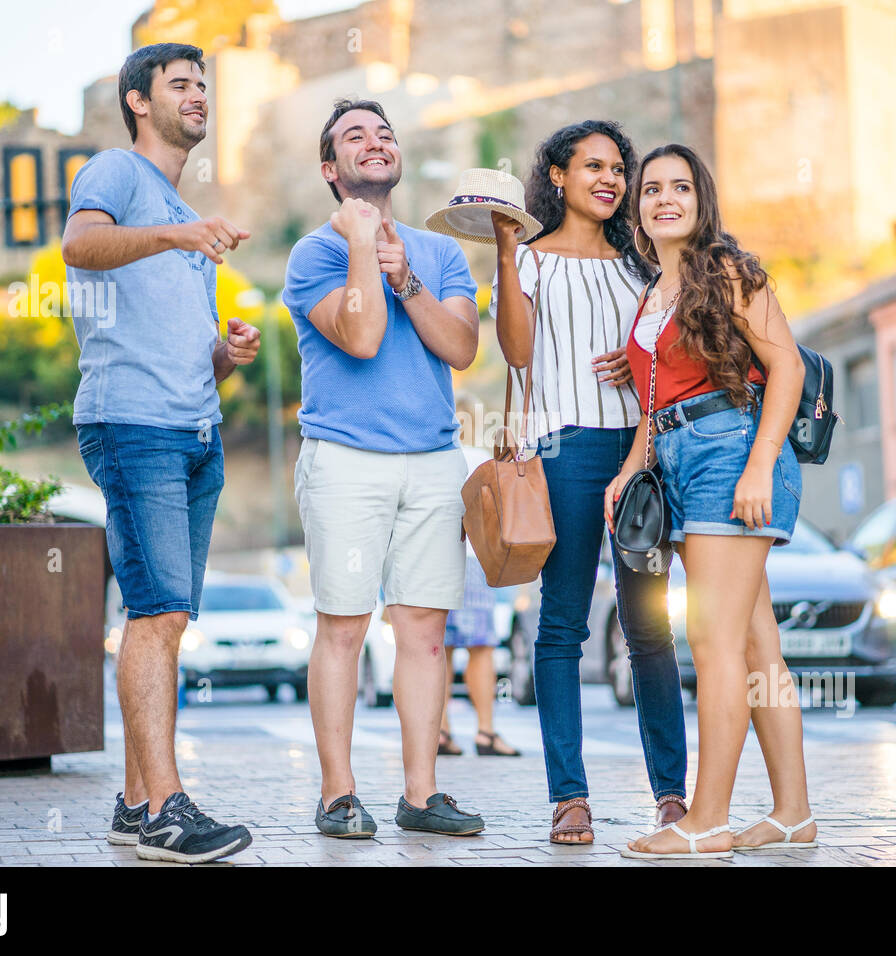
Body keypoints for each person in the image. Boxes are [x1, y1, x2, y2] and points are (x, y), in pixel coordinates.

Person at [61, 42, 261, 864]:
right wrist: (180, 232)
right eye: (181, 84)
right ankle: (167, 813)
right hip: (132, 423)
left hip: (193, 430)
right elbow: (78, 246)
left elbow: (174, 339)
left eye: (204, 85)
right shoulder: (115, 171)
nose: (199, 95)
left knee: (167, 617)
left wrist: (225, 352)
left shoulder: (180, 211)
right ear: (139, 101)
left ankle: (135, 803)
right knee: (157, 613)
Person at [606, 144, 816, 859]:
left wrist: (759, 466)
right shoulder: (652, 294)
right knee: (758, 647)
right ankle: (793, 813)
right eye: (652, 189)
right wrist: (630, 468)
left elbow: (785, 363)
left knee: (713, 643)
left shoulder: (725, 269)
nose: (665, 198)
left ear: (702, 201)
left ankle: (708, 819)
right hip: (683, 459)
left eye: (681, 188)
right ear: (638, 208)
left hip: (733, 453)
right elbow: (655, 402)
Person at [283, 99, 486, 840]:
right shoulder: (313, 255)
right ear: (332, 171)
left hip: (433, 460)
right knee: (343, 627)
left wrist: (406, 279)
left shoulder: (442, 254)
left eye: (385, 133)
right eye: (354, 137)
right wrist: (362, 244)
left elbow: (462, 349)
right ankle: (338, 794)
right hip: (344, 461)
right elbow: (363, 339)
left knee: (426, 634)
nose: (376, 143)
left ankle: (421, 794)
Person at [491, 121, 689, 845]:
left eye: (617, 168)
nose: (609, 179)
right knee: (563, 626)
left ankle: (672, 796)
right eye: (592, 167)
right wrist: (508, 254)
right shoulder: (531, 263)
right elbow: (516, 353)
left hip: (643, 454)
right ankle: (568, 797)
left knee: (650, 627)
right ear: (556, 175)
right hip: (564, 449)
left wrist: (635, 363)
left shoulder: (642, 266)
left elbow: (670, 348)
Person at [439, 393, 521, 759]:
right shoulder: (482, 460)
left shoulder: (438, 457)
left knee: (437, 649)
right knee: (481, 648)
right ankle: (485, 731)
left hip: (435, 561)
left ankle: (440, 730)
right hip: (474, 560)